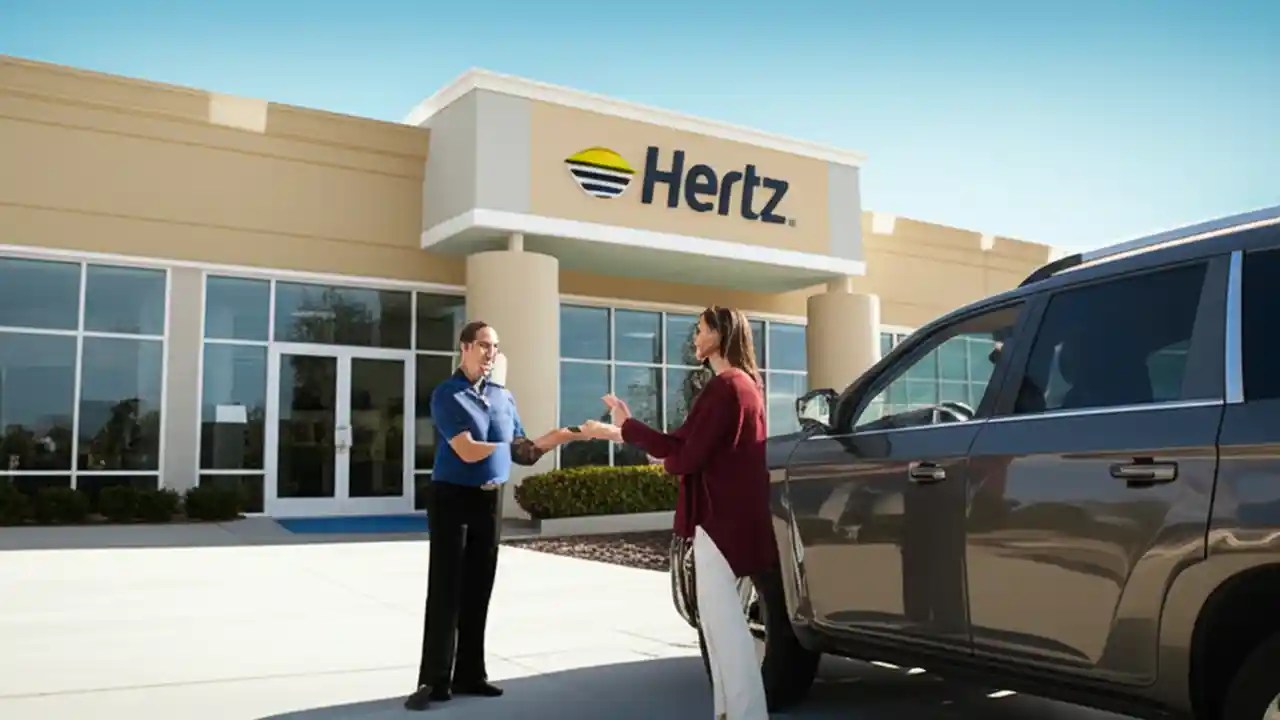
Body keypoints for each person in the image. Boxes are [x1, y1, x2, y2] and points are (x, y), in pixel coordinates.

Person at [581, 306, 776, 720]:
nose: (695, 337)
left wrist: (632, 432)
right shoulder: (743, 386)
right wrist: (622, 429)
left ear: (720, 335)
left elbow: (685, 455)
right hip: (730, 522)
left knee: (724, 630)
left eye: (701, 330)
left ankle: (744, 714)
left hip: (718, 524)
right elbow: (680, 445)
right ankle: (728, 712)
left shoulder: (726, 388)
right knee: (719, 627)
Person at [405, 320, 582, 712]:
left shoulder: (503, 396)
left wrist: (565, 435)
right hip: (452, 498)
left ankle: (470, 673)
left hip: (489, 500)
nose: (491, 354)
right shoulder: (447, 395)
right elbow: (468, 451)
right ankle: (432, 682)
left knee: (479, 588)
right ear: (465, 347)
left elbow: (525, 450)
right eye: (484, 346)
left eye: (495, 348)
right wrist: (511, 445)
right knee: (446, 591)